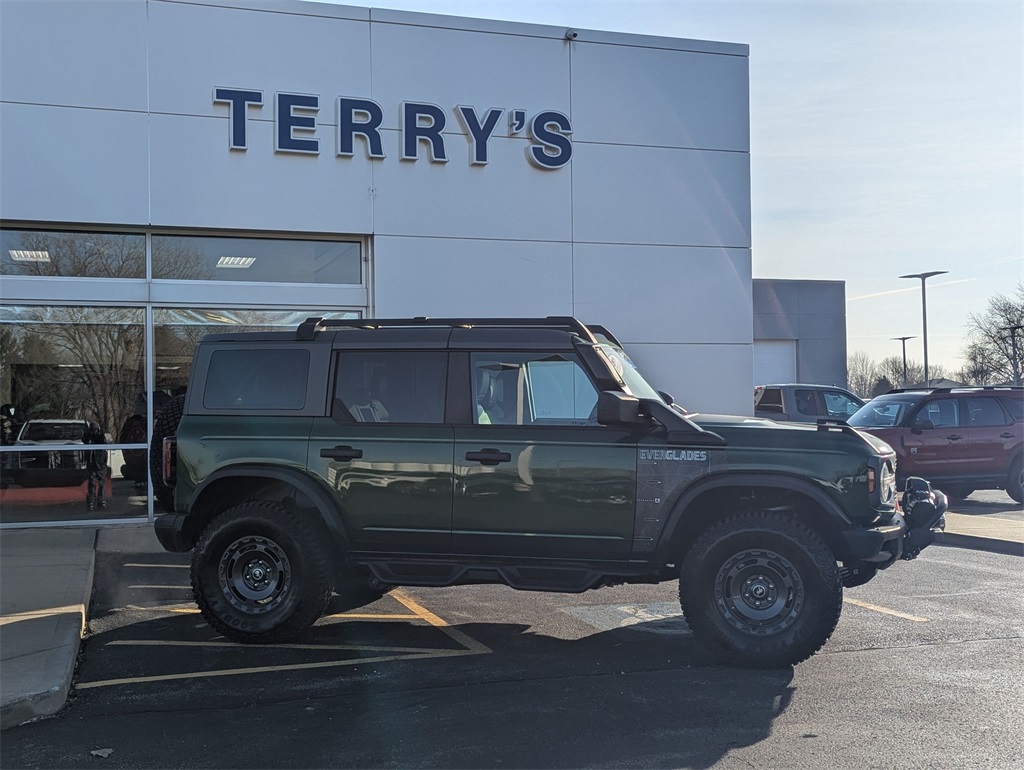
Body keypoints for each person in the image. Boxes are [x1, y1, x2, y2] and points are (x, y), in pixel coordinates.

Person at [84, 421, 108, 511]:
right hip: (91, 464)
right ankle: (91, 502)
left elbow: (103, 442)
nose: (94, 432)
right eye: (93, 430)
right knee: (91, 484)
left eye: (96, 430)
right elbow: (84, 440)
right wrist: (89, 434)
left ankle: (102, 502)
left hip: (101, 464)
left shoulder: (100, 437)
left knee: (102, 485)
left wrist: (100, 433)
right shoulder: (88, 438)